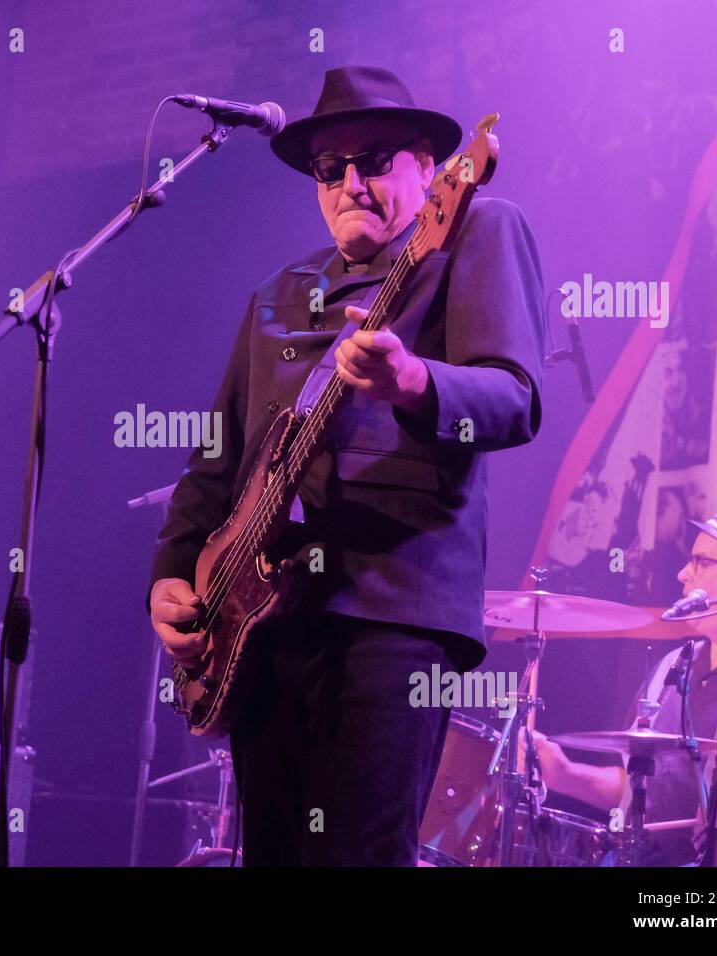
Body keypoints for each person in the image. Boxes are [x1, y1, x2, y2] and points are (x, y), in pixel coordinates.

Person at [147, 66, 546, 865]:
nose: (351, 183)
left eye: (375, 159)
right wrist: (169, 573)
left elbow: (515, 398)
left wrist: (414, 380)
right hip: (264, 623)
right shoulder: (279, 293)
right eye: (332, 170)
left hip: (393, 612)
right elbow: (216, 459)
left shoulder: (474, 234)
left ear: (428, 166)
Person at [530, 511, 717, 865]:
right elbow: (635, 788)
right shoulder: (672, 667)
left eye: (701, 562)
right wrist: (564, 774)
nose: (683, 574)